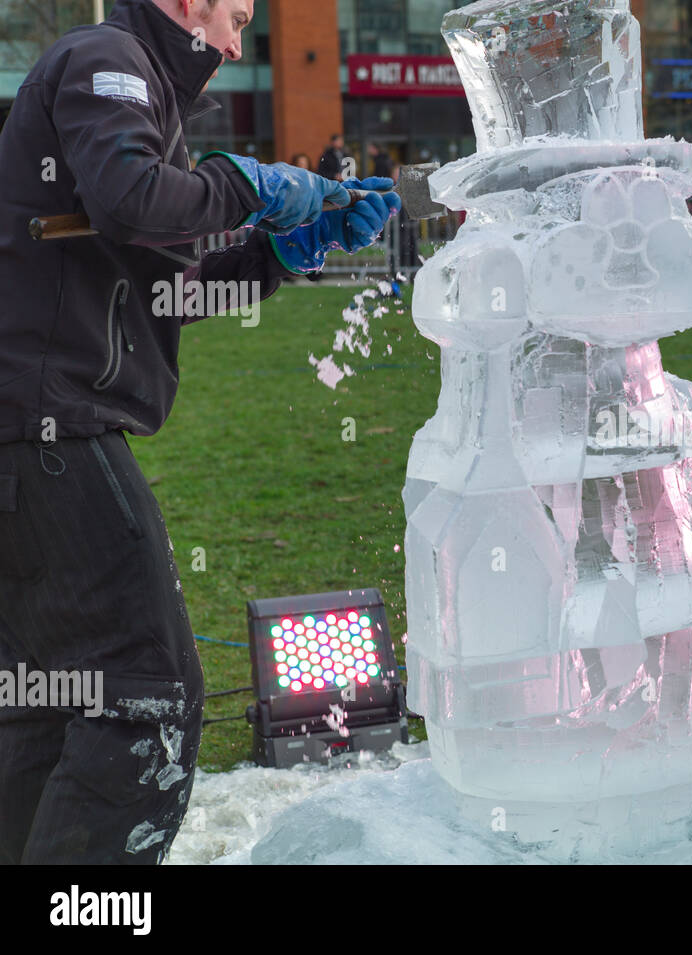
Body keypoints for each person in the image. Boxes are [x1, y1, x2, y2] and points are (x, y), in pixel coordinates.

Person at [0, 0, 400, 865]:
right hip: (46, 431)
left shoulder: (147, 101)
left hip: (33, 434)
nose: (238, 42)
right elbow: (133, 199)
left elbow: (166, 288)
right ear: (187, 4)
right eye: (237, 16)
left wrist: (283, 253)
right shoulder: (108, 60)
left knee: (50, 703)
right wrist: (251, 183)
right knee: (149, 689)